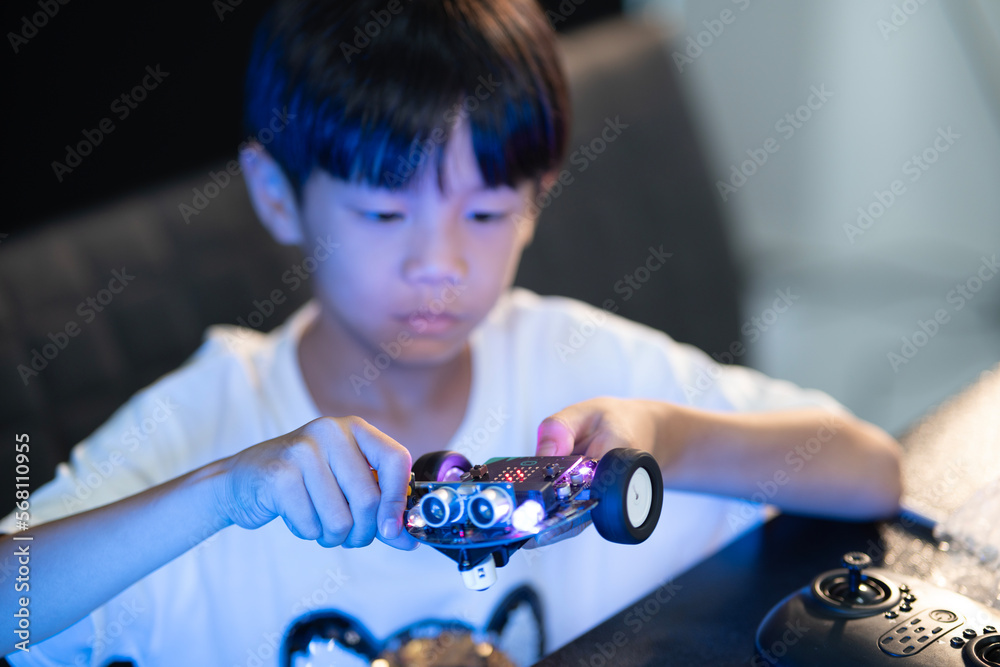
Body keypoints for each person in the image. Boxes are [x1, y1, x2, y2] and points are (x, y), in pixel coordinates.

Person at [0, 0, 903, 664]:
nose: (439, 264)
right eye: (385, 213)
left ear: (537, 203)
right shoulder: (206, 418)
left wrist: (667, 436)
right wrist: (223, 494)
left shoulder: (577, 361)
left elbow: (869, 468)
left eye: (483, 213)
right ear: (279, 195)